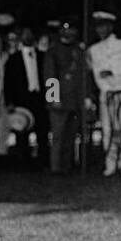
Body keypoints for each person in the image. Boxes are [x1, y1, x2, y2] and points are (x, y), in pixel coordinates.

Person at [87, 11, 121, 176]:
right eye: (98, 26)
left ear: (111, 26)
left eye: (104, 25)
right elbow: (97, 75)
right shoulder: (94, 50)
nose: (101, 29)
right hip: (107, 94)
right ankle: (111, 164)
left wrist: (112, 72)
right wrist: (106, 89)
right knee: (108, 130)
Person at [2, 26, 49, 167]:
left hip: (40, 97)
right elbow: (7, 82)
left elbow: (52, 78)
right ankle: (23, 162)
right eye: (25, 34)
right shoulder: (13, 58)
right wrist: (9, 102)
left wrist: (53, 99)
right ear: (20, 37)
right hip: (21, 99)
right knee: (21, 131)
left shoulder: (43, 56)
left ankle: (42, 161)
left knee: (42, 131)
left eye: (30, 34)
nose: (28, 37)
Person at [44, 22, 86, 174]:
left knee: (71, 135)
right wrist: (53, 98)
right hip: (59, 99)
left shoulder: (79, 50)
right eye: (65, 29)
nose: (69, 33)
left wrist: (85, 98)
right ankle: (56, 167)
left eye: (72, 29)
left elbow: (83, 75)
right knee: (58, 136)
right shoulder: (53, 51)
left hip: (75, 99)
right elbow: (50, 76)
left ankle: (67, 166)